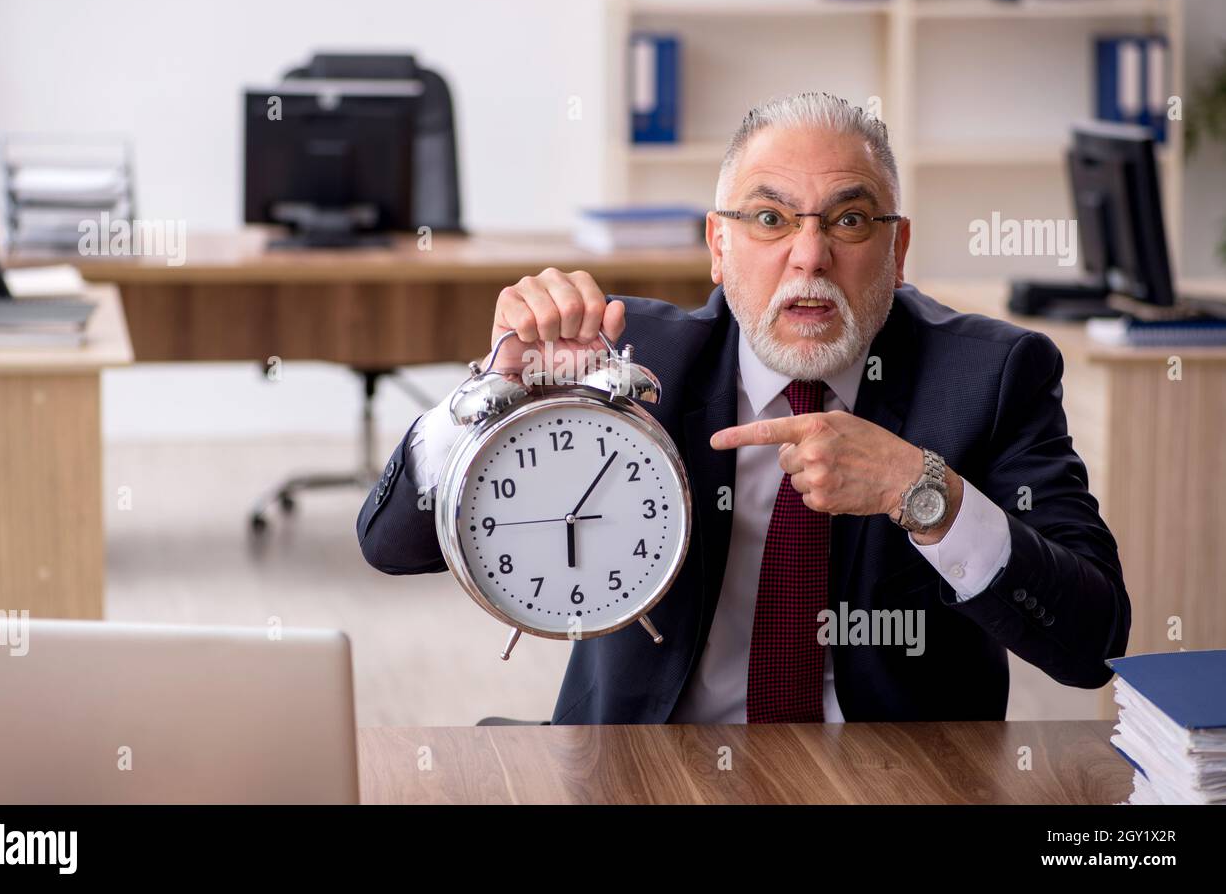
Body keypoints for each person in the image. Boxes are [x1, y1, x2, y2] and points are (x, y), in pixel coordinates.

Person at [357, 92, 1129, 725]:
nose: (809, 254)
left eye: (849, 220)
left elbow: (1094, 642)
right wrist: (489, 397)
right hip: (649, 770)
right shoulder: (626, 358)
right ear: (718, 250)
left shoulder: (992, 373)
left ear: (897, 253)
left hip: (890, 783)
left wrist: (923, 491)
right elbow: (390, 543)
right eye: (769, 219)